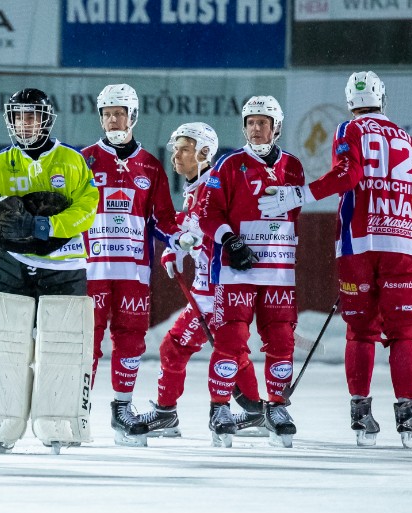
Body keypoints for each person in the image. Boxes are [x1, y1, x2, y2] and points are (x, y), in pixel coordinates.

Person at [258, 72, 412, 448]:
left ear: (350, 100)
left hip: (358, 243)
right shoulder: (404, 137)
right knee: (404, 332)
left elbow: (348, 175)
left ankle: (361, 415)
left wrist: (299, 194)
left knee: (362, 330)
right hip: (403, 239)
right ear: (382, 99)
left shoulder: (349, 129)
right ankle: (407, 415)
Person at [0, 88, 99, 454]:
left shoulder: (71, 161)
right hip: (14, 262)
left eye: (32, 115)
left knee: (61, 349)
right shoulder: (1, 163)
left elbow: (88, 208)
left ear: (46, 119)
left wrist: (44, 227)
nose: (25, 123)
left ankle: (59, 421)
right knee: (2, 344)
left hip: (64, 263)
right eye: (19, 116)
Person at [79, 84, 192, 447]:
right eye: (107, 112)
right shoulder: (84, 160)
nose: (113, 118)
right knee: (86, 342)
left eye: (120, 112)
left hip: (133, 272)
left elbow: (161, 218)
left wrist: (180, 237)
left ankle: (122, 411)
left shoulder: (151, 165)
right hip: (91, 271)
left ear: (133, 116)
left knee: (130, 340)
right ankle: (75, 412)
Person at [197, 96, 305, 448]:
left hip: (278, 275)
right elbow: (207, 215)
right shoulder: (228, 165)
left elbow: (293, 217)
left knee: (282, 341)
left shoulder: (293, 166)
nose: (256, 128)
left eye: (263, 122)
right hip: (237, 272)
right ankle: (219, 408)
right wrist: (230, 241)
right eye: (250, 122)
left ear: (277, 127)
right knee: (230, 341)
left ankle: (275, 407)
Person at [151, 122, 269, 441]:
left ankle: (166, 414)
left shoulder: (212, 188)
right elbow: (187, 227)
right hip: (214, 289)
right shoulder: (194, 189)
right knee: (233, 350)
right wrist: (176, 249)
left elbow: (217, 231)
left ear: (204, 153)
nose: (175, 154)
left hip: (215, 290)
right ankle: (256, 412)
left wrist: (186, 243)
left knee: (174, 347)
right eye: (175, 147)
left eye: (184, 148)